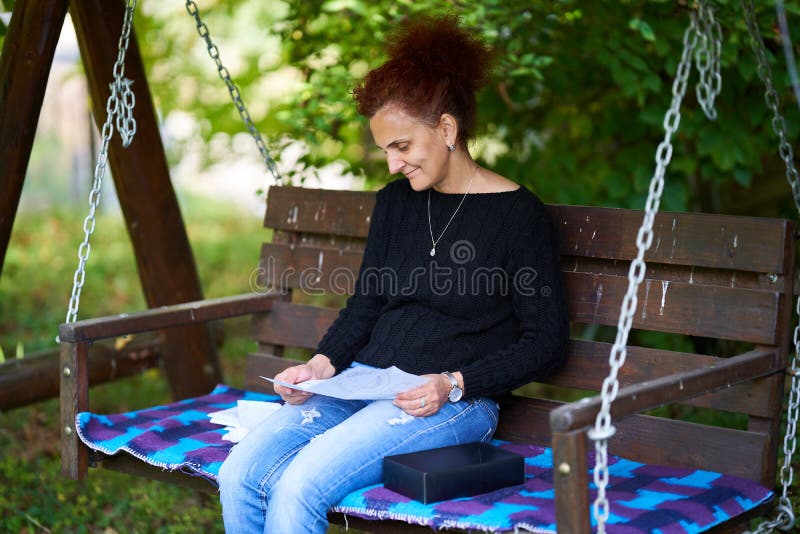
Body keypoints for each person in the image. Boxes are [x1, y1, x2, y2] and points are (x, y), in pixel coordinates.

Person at [218, 14, 569, 534]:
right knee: (240, 472)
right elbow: (366, 306)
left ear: (446, 129)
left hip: (453, 402)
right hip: (365, 385)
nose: (391, 164)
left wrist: (454, 383)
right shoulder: (396, 204)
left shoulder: (519, 217)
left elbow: (546, 343)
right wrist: (320, 365)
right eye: (385, 149)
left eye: (401, 146)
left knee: (299, 486)